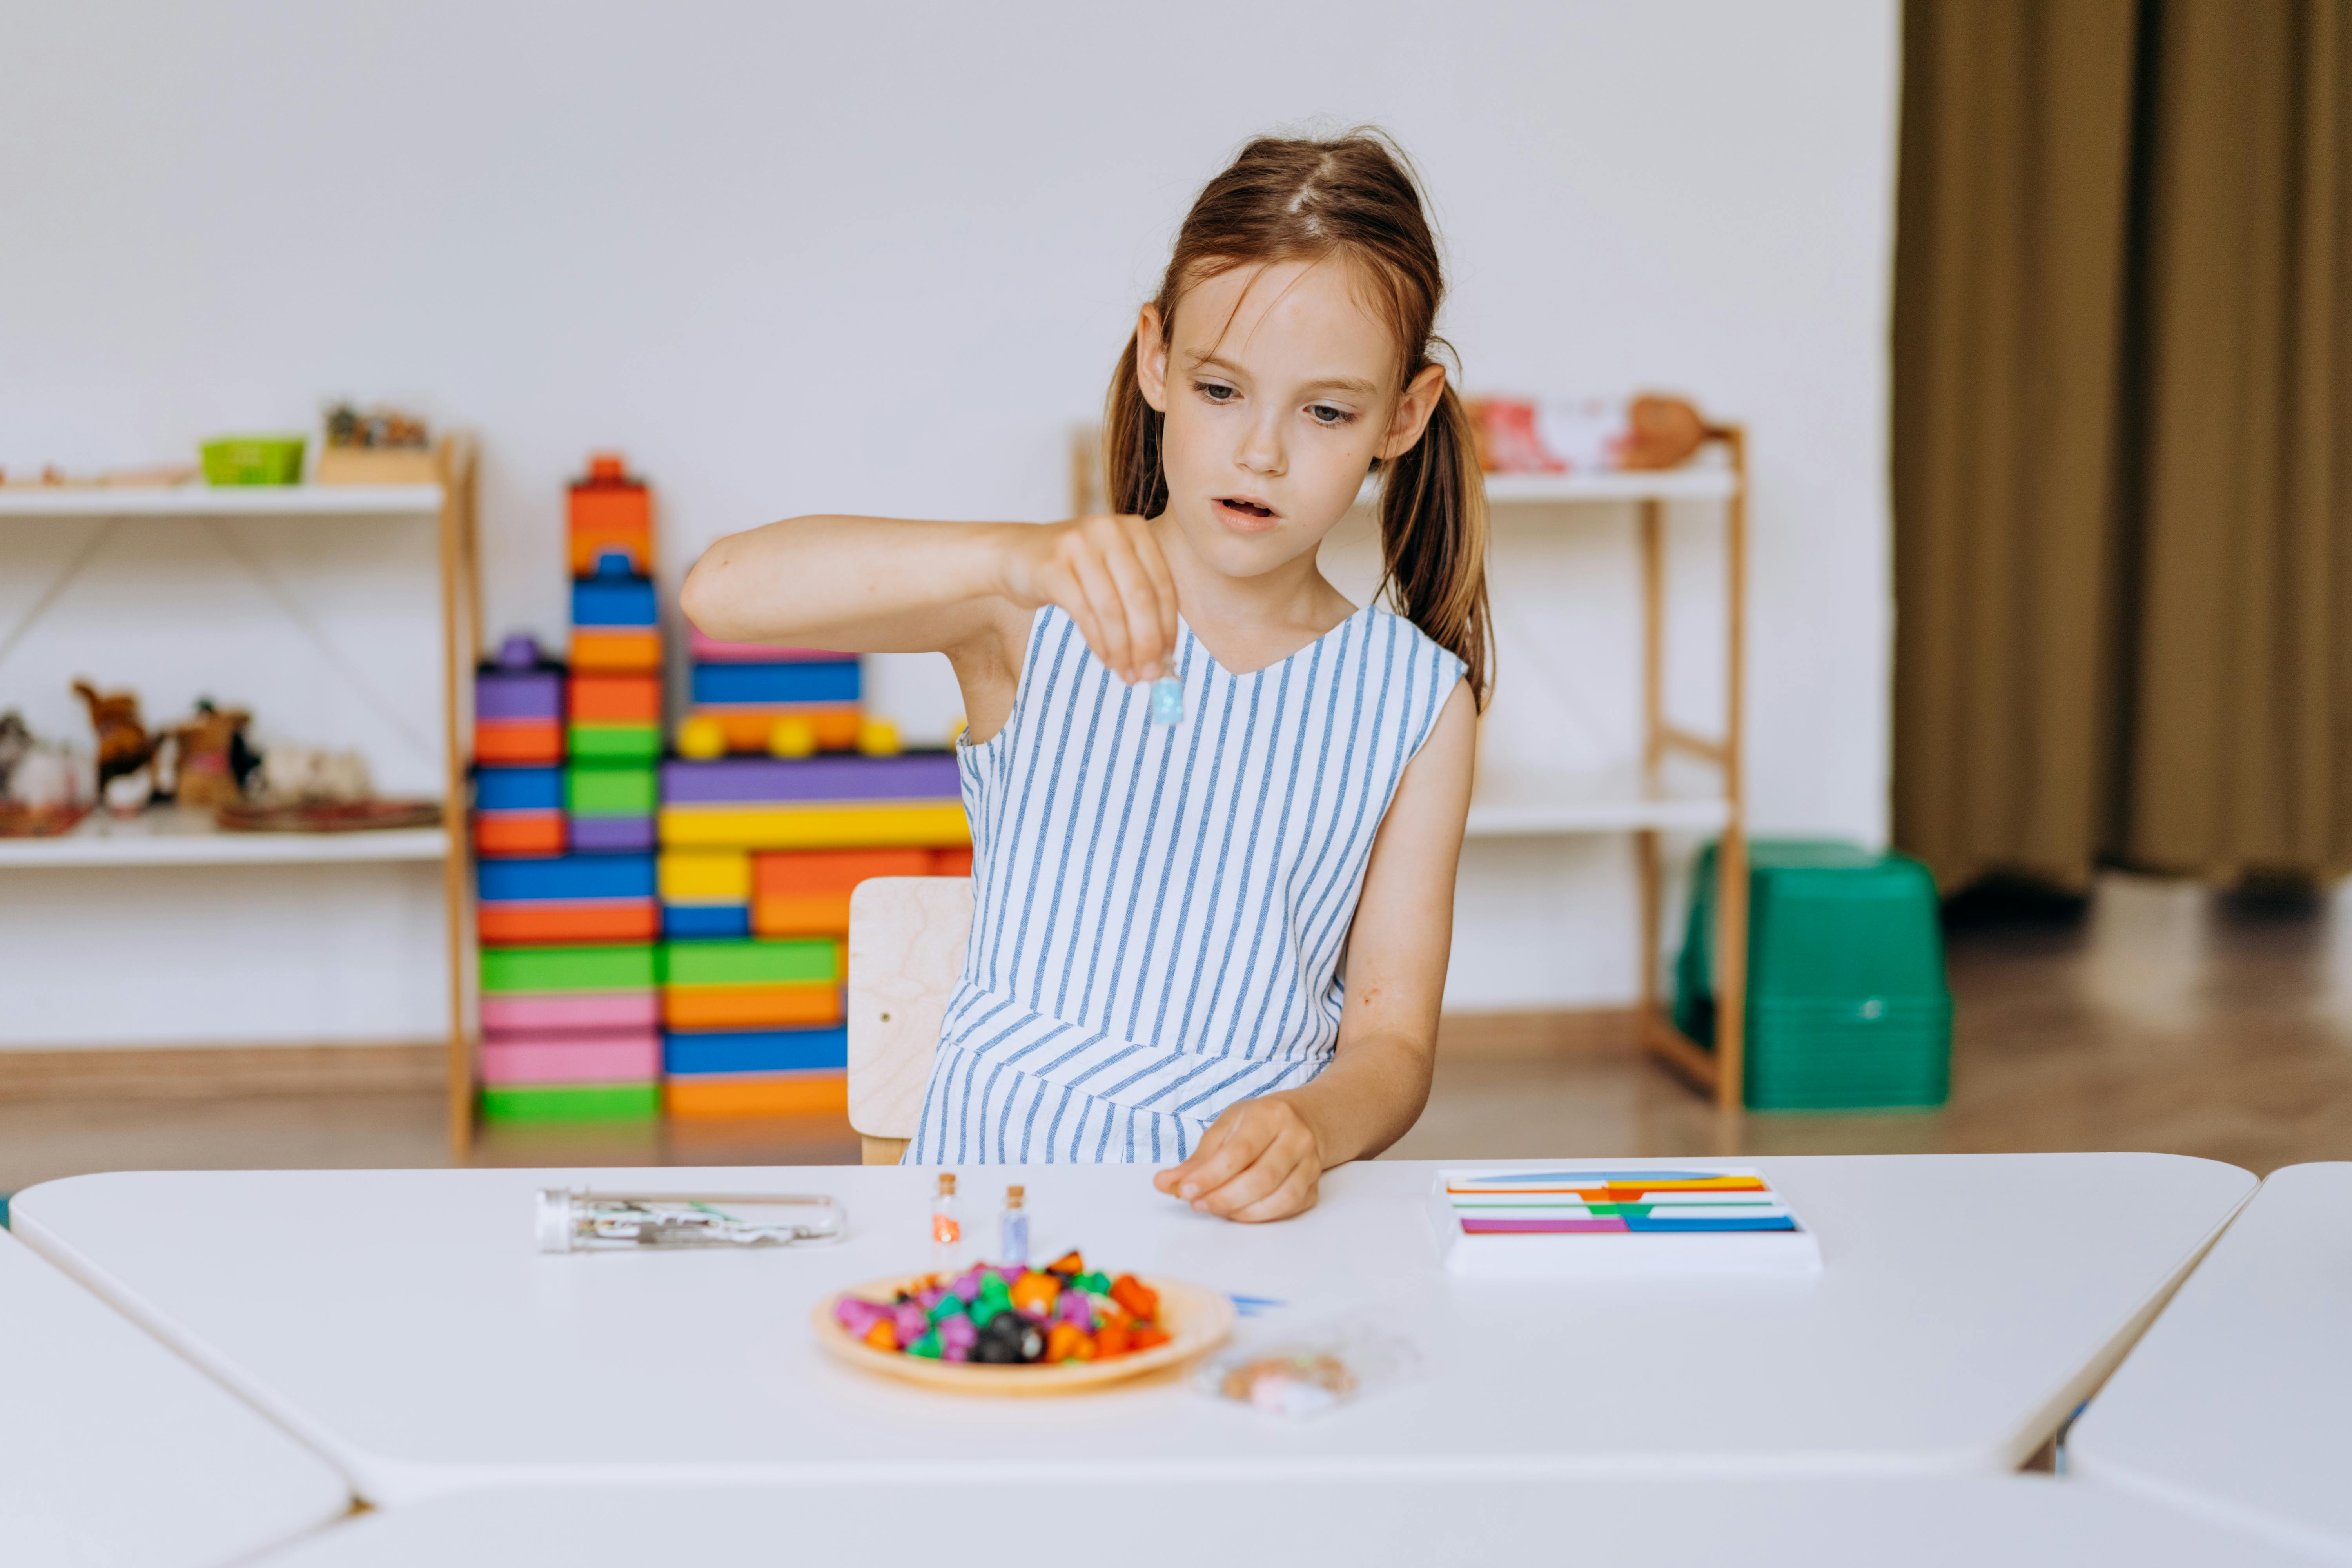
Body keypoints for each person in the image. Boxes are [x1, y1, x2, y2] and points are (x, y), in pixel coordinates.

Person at [681, 129, 1490, 1222]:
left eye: (1327, 411)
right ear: (1156, 359)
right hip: (990, 1204)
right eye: (1220, 389)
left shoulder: (1418, 703)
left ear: (1405, 414)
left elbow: (1392, 1047)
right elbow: (721, 592)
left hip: (1239, 1227)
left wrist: (1314, 1123)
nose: (1261, 452)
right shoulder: (1030, 608)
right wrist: (1007, 556)